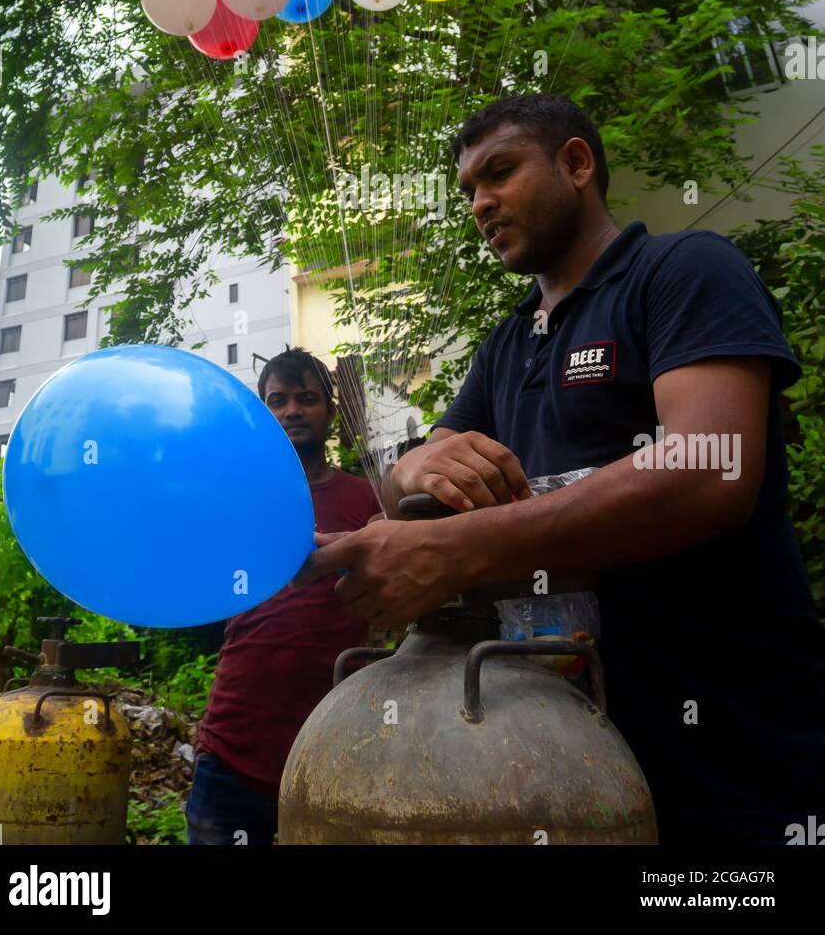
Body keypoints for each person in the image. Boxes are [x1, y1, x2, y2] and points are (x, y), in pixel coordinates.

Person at [299, 94, 825, 846]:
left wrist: (452, 552)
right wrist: (417, 464)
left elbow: (713, 471)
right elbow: (399, 488)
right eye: (469, 191)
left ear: (577, 163)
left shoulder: (683, 271)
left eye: (501, 173)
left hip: (735, 767)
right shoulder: (508, 345)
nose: (481, 203)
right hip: (559, 769)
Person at [188, 347, 379, 845]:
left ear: (331, 413)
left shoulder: (369, 501)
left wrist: (342, 549)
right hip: (233, 744)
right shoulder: (236, 498)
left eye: (307, 398)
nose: (292, 410)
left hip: (338, 744)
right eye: (277, 401)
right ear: (262, 415)